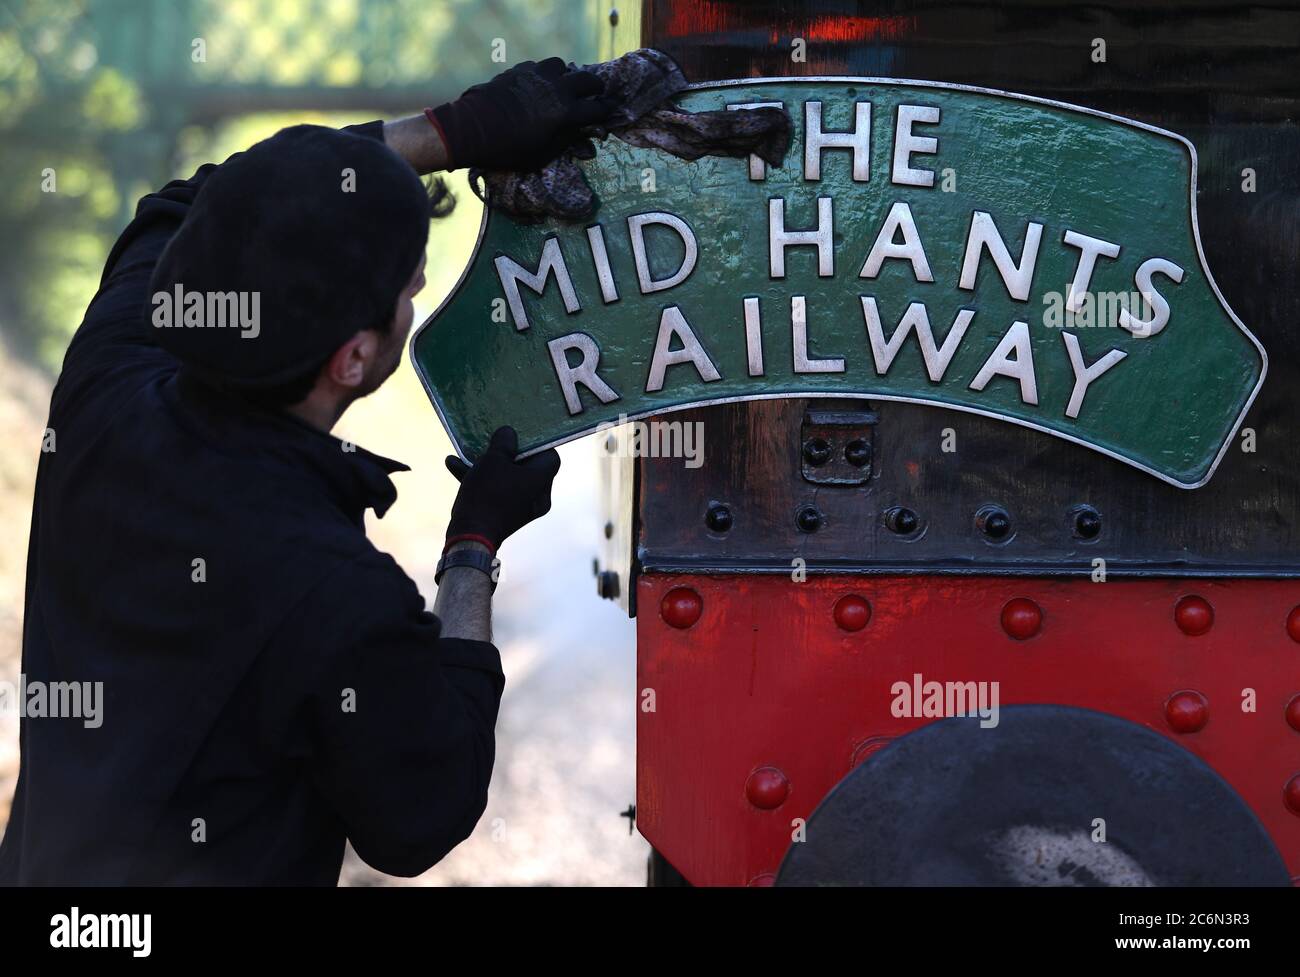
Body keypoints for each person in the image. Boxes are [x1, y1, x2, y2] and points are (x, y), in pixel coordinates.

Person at [0, 58, 616, 884]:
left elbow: (204, 198)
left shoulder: (107, 384)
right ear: (355, 357)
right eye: (409, 285)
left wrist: (450, 133)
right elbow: (422, 814)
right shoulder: (340, 595)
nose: (419, 290)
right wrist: (473, 546)